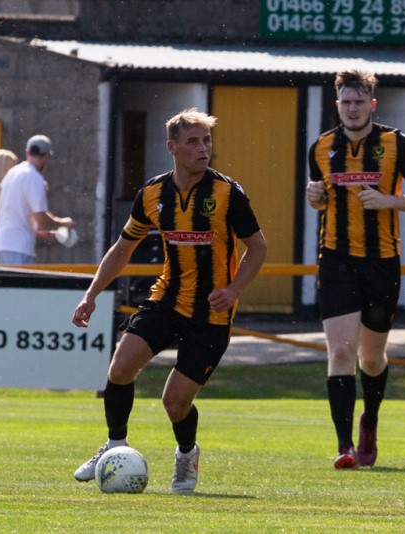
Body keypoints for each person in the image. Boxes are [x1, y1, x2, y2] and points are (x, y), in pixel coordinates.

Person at [71, 108, 267, 494]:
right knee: (120, 367)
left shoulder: (227, 193)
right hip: (167, 298)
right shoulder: (152, 194)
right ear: (172, 147)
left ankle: (186, 454)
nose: (202, 148)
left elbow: (258, 248)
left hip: (211, 314)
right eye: (193, 141)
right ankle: (113, 447)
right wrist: (91, 294)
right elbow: (122, 249)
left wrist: (233, 290)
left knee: (174, 403)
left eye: (206, 140)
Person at [306, 70, 405, 469]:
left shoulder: (398, 144)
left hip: (381, 263)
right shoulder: (322, 147)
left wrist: (389, 201)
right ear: (337, 104)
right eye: (346, 102)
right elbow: (319, 200)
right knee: (341, 351)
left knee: (372, 359)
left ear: (372, 104)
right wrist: (314, 197)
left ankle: (370, 423)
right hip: (336, 262)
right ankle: (344, 447)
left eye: (360, 102)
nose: (353, 108)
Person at [0, 135, 75, 265]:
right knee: (23, 285)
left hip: (3, 244)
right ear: (47, 156)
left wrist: (38, 232)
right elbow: (40, 217)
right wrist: (63, 223)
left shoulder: (13, 173)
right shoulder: (34, 177)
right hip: (19, 246)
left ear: (27, 152)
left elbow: (16, 212)